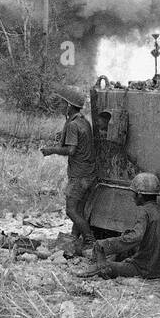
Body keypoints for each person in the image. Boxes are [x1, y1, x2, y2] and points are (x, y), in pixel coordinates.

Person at [77, 173, 160, 279]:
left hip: (147, 269)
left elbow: (136, 237)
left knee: (104, 266)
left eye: (133, 193)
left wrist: (104, 245)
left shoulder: (144, 211)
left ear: (140, 195)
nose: (132, 197)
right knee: (122, 253)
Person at [40, 86, 96, 256]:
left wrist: (51, 150)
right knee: (79, 210)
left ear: (69, 106)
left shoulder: (73, 124)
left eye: (64, 103)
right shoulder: (83, 121)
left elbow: (71, 150)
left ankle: (89, 240)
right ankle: (73, 238)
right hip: (89, 174)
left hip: (79, 175)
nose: (61, 106)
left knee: (71, 210)